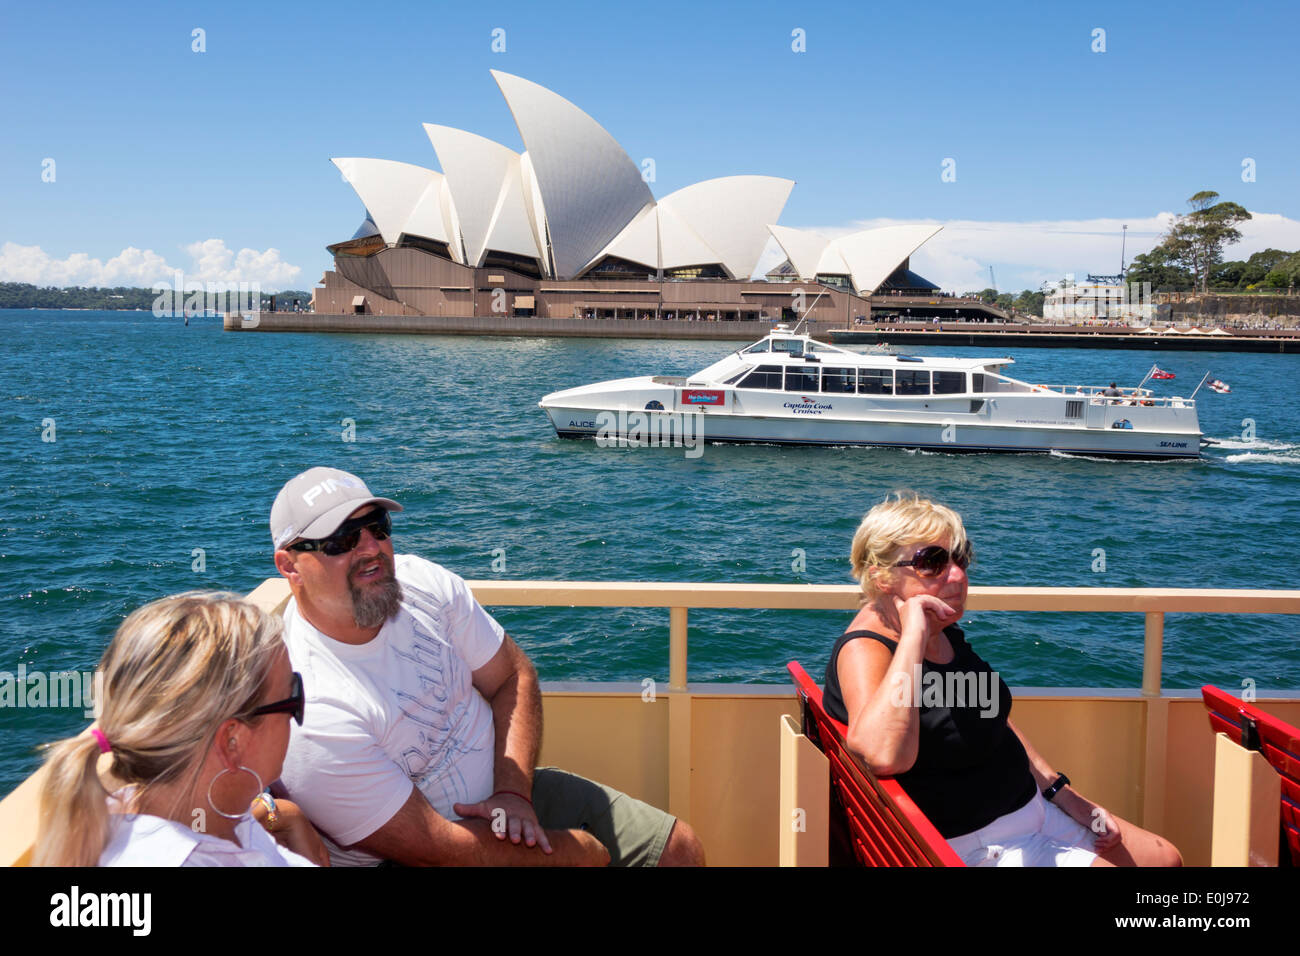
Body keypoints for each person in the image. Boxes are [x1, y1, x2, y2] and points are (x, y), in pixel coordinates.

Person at [269, 467, 706, 867]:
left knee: (678, 849)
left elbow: (512, 676)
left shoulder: (421, 583)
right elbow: (438, 848)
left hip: (508, 792)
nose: (371, 549)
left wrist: (513, 793)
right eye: (341, 540)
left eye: (377, 528)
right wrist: (578, 853)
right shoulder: (311, 706)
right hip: (417, 853)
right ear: (290, 566)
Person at [823, 492, 1181, 867]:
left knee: (1164, 859)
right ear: (881, 575)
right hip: (974, 841)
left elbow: (989, 715)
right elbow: (884, 756)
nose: (958, 575)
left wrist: (1063, 793)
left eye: (960, 558)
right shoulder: (867, 649)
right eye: (932, 562)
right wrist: (913, 636)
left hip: (1029, 808)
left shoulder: (943, 630)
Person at [34, 592, 328, 867]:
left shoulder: (209, 813)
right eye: (292, 696)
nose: (298, 710)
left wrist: (283, 814)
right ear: (232, 742)